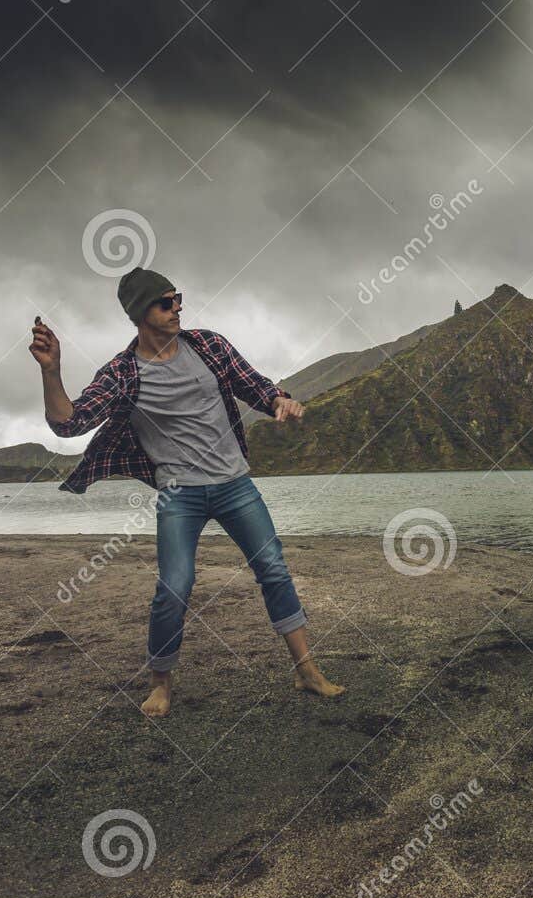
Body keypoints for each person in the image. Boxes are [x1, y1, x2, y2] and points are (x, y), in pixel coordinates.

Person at [28, 266, 343, 716]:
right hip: (180, 495)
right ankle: (161, 683)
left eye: (178, 299)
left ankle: (307, 670)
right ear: (141, 313)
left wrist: (279, 401)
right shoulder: (123, 373)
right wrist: (52, 371)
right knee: (175, 586)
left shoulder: (208, 346)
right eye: (165, 302)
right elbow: (69, 423)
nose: (177, 308)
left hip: (235, 484)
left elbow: (254, 385)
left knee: (273, 568)